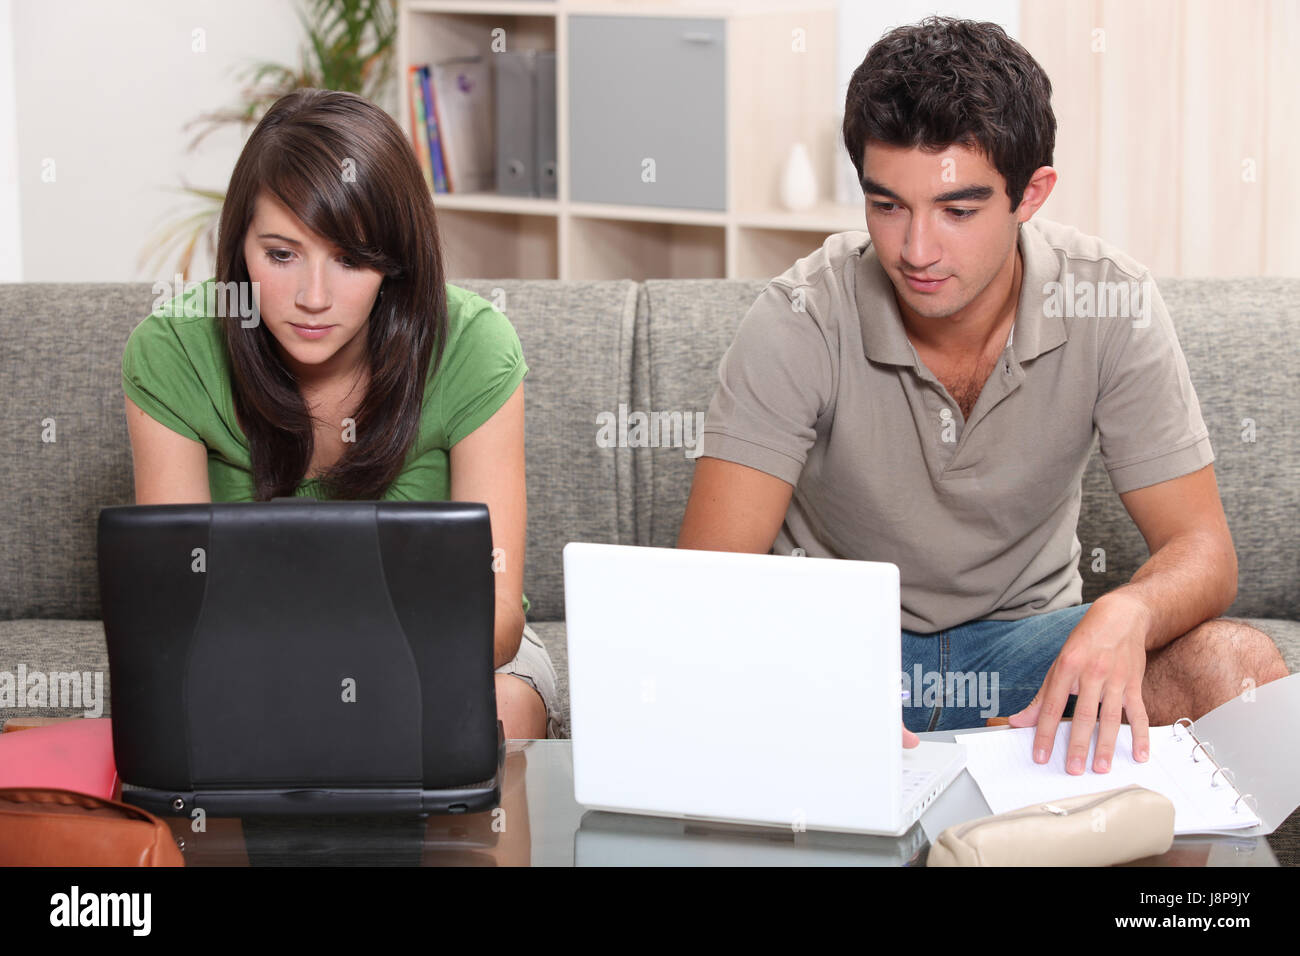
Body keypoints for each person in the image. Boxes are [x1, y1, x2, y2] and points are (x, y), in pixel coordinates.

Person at [677, 17, 1288, 772]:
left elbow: (1204, 549)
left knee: (1242, 673)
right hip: (839, 654)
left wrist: (1127, 609)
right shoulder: (800, 316)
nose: (915, 251)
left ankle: (1169, 898)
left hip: (1030, 655)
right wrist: (806, 684)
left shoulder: (1110, 302)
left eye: (958, 211)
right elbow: (706, 588)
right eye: (887, 205)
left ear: (1032, 194)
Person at [121, 88, 558, 740]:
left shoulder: (473, 343)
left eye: (350, 260)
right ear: (239, 247)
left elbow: (494, 619)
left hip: (447, 663)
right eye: (281, 255)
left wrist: (358, 686)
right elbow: (175, 609)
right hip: (246, 668)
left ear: (394, 263)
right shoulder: (173, 351)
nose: (313, 298)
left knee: (496, 715)